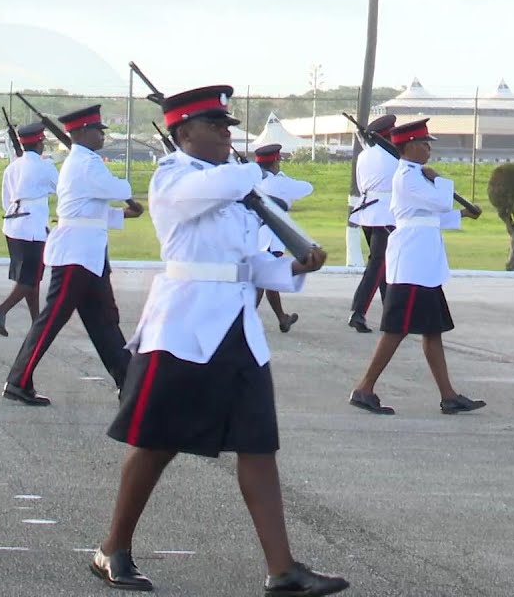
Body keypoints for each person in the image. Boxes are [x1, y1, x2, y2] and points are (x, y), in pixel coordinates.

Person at [91, 85, 347, 596]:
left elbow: (247, 266)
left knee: (257, 446)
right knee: (156, 444)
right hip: (184, 329)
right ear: (183, 133)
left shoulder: (230, 188)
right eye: (216, 126)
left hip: (237, 328)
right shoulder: (176, 179)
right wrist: (256, 173)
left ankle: (282, 568)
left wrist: (293, 265)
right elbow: (229, 186)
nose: (227, 135)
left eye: (228, 126)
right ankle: (112, 550)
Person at [2, 104, 143, 406]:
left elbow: (90, 211)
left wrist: (124, 215)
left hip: (89, 253)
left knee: (104, 320)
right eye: (96, 130)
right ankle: (18, 380)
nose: (101, 135)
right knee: (51, 319)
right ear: (80, 132)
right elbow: (118, 188)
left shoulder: (84, 161)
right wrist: (127, 196)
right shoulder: (86, 164)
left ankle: (129, 382)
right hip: (75, 255)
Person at [347, 118, 483, 416]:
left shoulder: (415, 176)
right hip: (411, 264)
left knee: (433, 330)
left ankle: (449, 395)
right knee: (395, 330)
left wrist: (463, 215)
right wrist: (441, 181)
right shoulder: (408, 177)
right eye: (424, 144)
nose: (428, 150)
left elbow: (428, 216)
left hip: (425, 264)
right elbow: (440, 203)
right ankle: (364, 388)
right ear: (408, 147)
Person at [0, 122, 57, 337]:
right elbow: (60, 188)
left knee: (29, 277)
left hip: (13, 225)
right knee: (30, 278)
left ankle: (37, 322)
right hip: (33, 227)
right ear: (39, 143)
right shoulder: (45, 166)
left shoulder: (13, 167)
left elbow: (6, 199)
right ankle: (0, 310)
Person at [253, 143, 313, 334]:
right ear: (276, 161)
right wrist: (284, 178)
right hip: (273, 237)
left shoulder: (252, 181)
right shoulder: (281, 182)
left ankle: (282, 318)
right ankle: (244, 320)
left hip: (255, 236)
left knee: (267, 279)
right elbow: (307, 188)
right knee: (263, 281)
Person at [346, 114, 398, 333]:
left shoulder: (365, 155)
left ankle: (391, 315)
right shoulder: (395, 158)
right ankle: (358, 312)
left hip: (366, 212)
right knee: (378, 264)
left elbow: (360, 184)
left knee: (384, 265)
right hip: (385, 213)